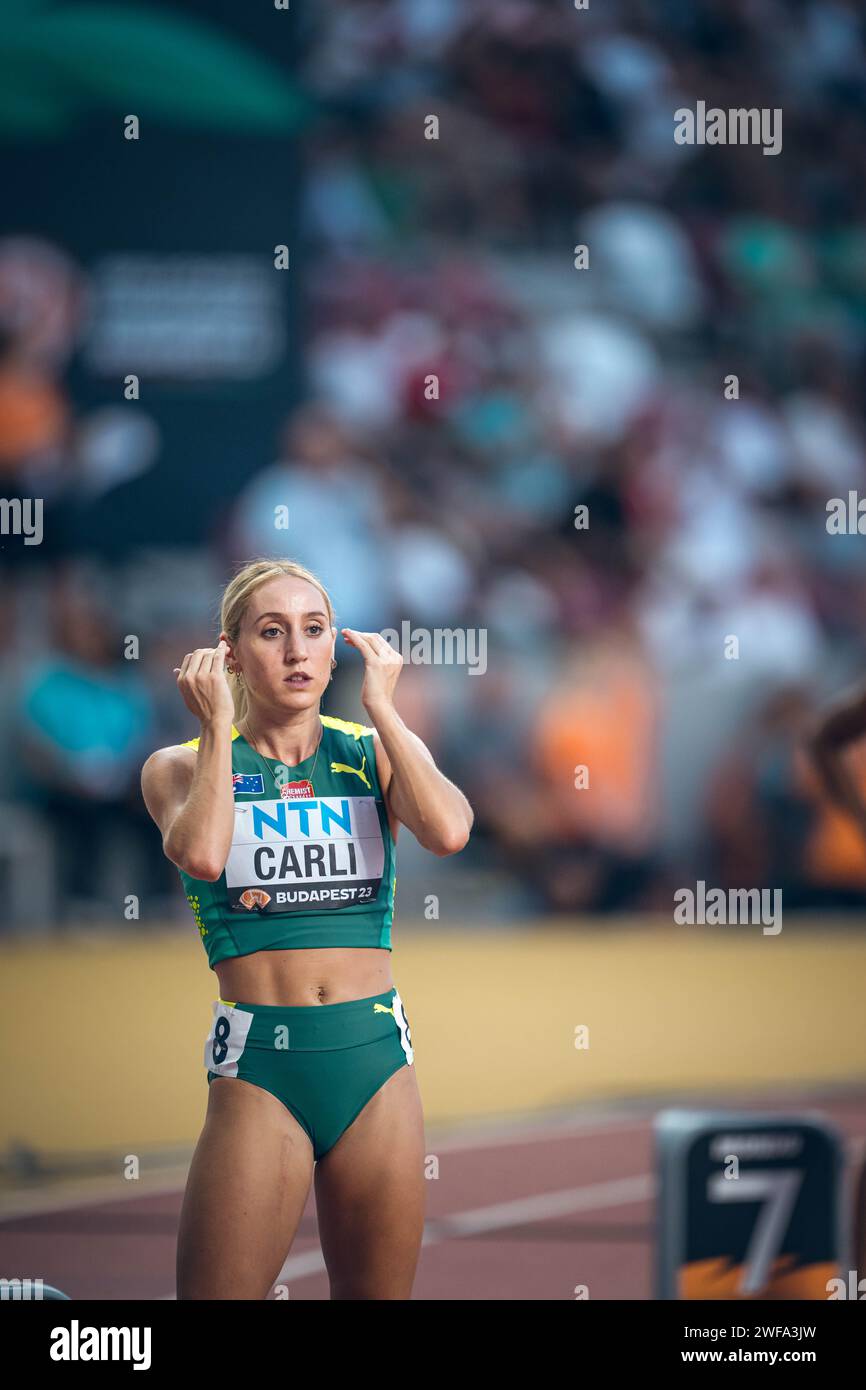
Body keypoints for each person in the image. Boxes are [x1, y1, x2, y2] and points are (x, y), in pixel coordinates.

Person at [140, 557, 473, 1299]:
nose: (296, 651)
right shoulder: (179, 766)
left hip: (376, 1062)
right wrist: (219, 726)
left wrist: (384, 710)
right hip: (263, 1070)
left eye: (314, 630)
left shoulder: (369, 751)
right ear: (230, 653)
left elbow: (450, 831)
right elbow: (199, 853)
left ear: (335, 648)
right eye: (271, 632)